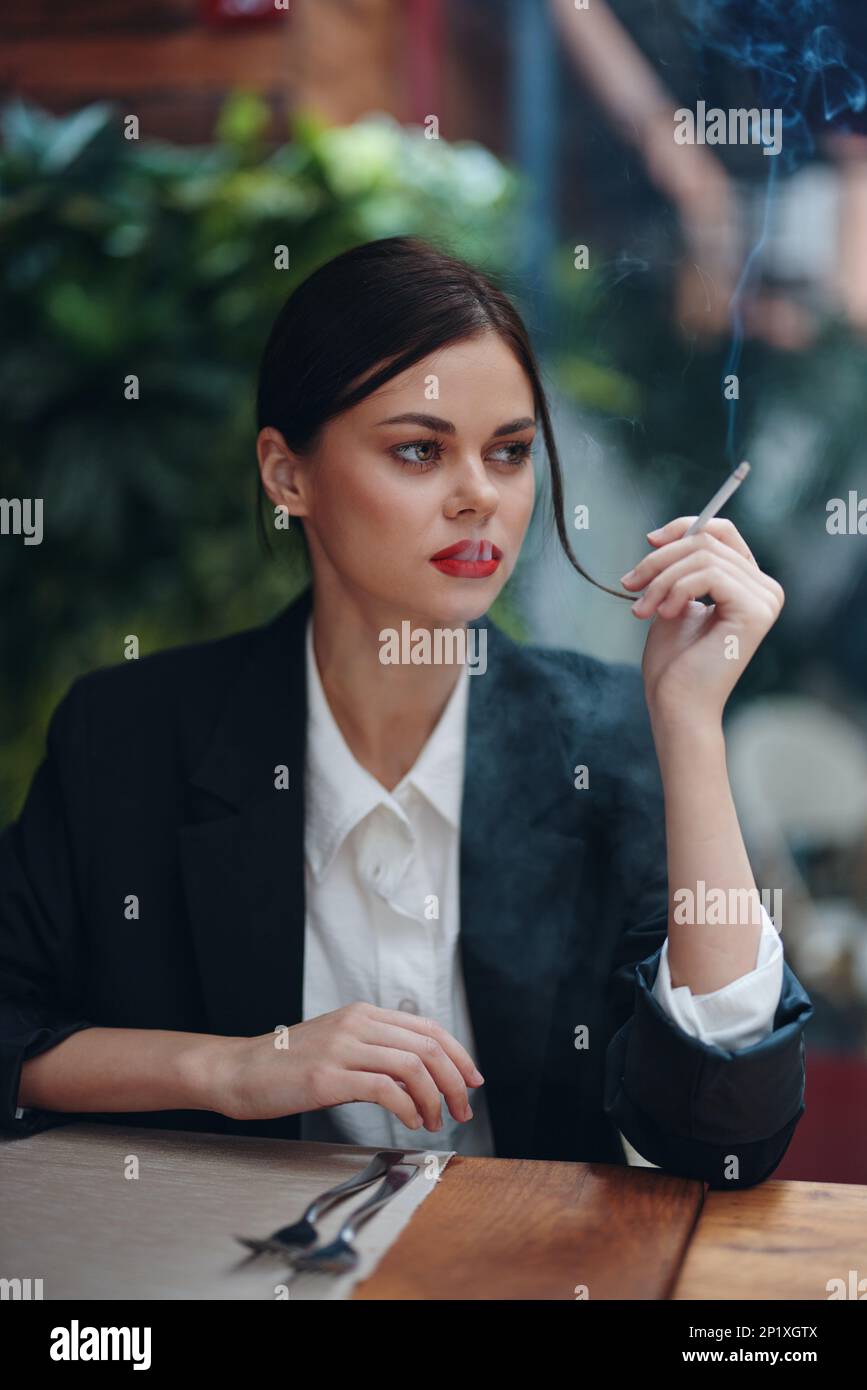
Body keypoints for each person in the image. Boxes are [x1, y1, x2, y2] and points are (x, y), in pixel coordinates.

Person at [1, 236, 812, 1187]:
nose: (479, 496)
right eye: (420, 450)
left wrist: (687, 724)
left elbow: (725, 1133)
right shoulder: (128, 737)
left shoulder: (607, 740)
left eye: (508, 452)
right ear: (286, 474)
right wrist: (231, 1065)